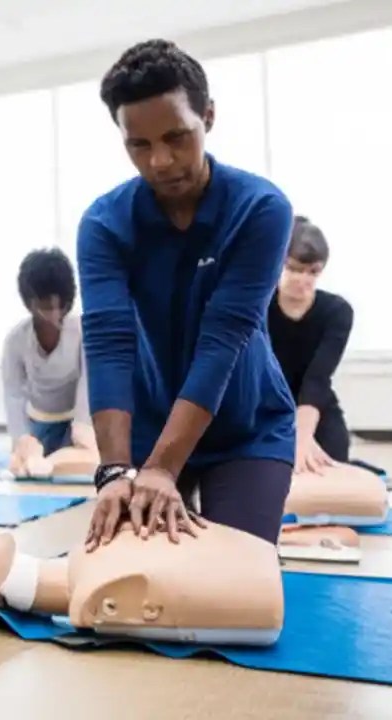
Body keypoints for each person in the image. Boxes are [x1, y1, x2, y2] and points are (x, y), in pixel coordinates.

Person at [78, 39, 296, 551]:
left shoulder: (261, 209)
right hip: (147, 427)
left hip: (246, 428)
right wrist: (115, 471)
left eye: (177, 137)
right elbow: (109, 342)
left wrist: (163, 469)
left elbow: (224, 338)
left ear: (209, 117)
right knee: (131, 580)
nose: (160, 161)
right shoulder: (104, 224)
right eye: (139, 145)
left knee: (233, 583)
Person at [268, 215, 354, 472]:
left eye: (312, 272)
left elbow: (317, 379)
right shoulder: (257, 306)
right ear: (278, 263)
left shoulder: (336, 312)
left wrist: (303, 439)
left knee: (330, 462)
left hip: (314, 408)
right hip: (263, 405)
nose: (302, 279)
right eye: (293, 268)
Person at [2, 248, 91, 474]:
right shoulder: (16, 340)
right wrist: (21, 437)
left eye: (59, 307)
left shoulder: (82, 333)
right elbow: (14, 393)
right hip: (39, 423)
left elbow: (87, 382)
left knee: (80, 468)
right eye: (45, 308)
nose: (53, 315)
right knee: (26, 468)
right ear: (30, 303)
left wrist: (82, 426)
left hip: (76, 422)